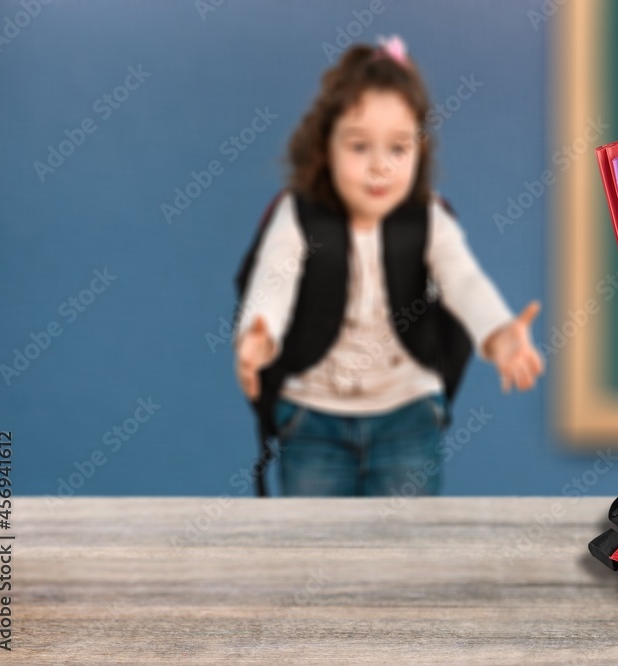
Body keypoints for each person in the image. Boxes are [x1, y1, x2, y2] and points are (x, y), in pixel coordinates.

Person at [233, 35, 544, 497]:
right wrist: (259, 336)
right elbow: (272, 280)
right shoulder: (298, 212)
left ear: (419, 152)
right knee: (315, 556)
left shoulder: (429, 216)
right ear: (326, 146)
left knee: (407, 554)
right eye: (359, 147)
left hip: (408, 413)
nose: (380, 166)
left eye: (398, 149)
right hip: (311, 416)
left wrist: (499, 335)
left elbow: (463, 280)